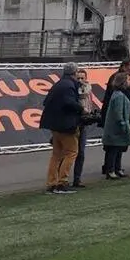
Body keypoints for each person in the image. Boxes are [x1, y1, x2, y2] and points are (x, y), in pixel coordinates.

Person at [40, 62, 83, 194]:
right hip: (65, 125)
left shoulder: (59, 84)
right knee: (71, 152)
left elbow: (46, 102)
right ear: (75, 72)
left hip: (54, 124)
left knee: (56, 155)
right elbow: (69, 103)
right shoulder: (69, 86)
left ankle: (51, 183)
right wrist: (81, 108)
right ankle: (62, 183)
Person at [101, 58, 130, 177]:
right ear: (124, 66)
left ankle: (116, 168)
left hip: (124, 118)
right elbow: (117, 112)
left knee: (120, 145)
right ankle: (110, 168)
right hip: (118, 122)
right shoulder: (118, 92)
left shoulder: (124, 88)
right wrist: (123, 123)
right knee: (113, 146)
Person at [72, 68, 99, 188]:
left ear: (86, 78)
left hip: (84, 123)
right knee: (70, 153)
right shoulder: (72, 91)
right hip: (74, 124)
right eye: (78, 78)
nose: (80, 80)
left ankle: (77, 179)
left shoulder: (88, 90)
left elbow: (90, 103)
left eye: (82, 78)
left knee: (81, 152)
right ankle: (61, 179)